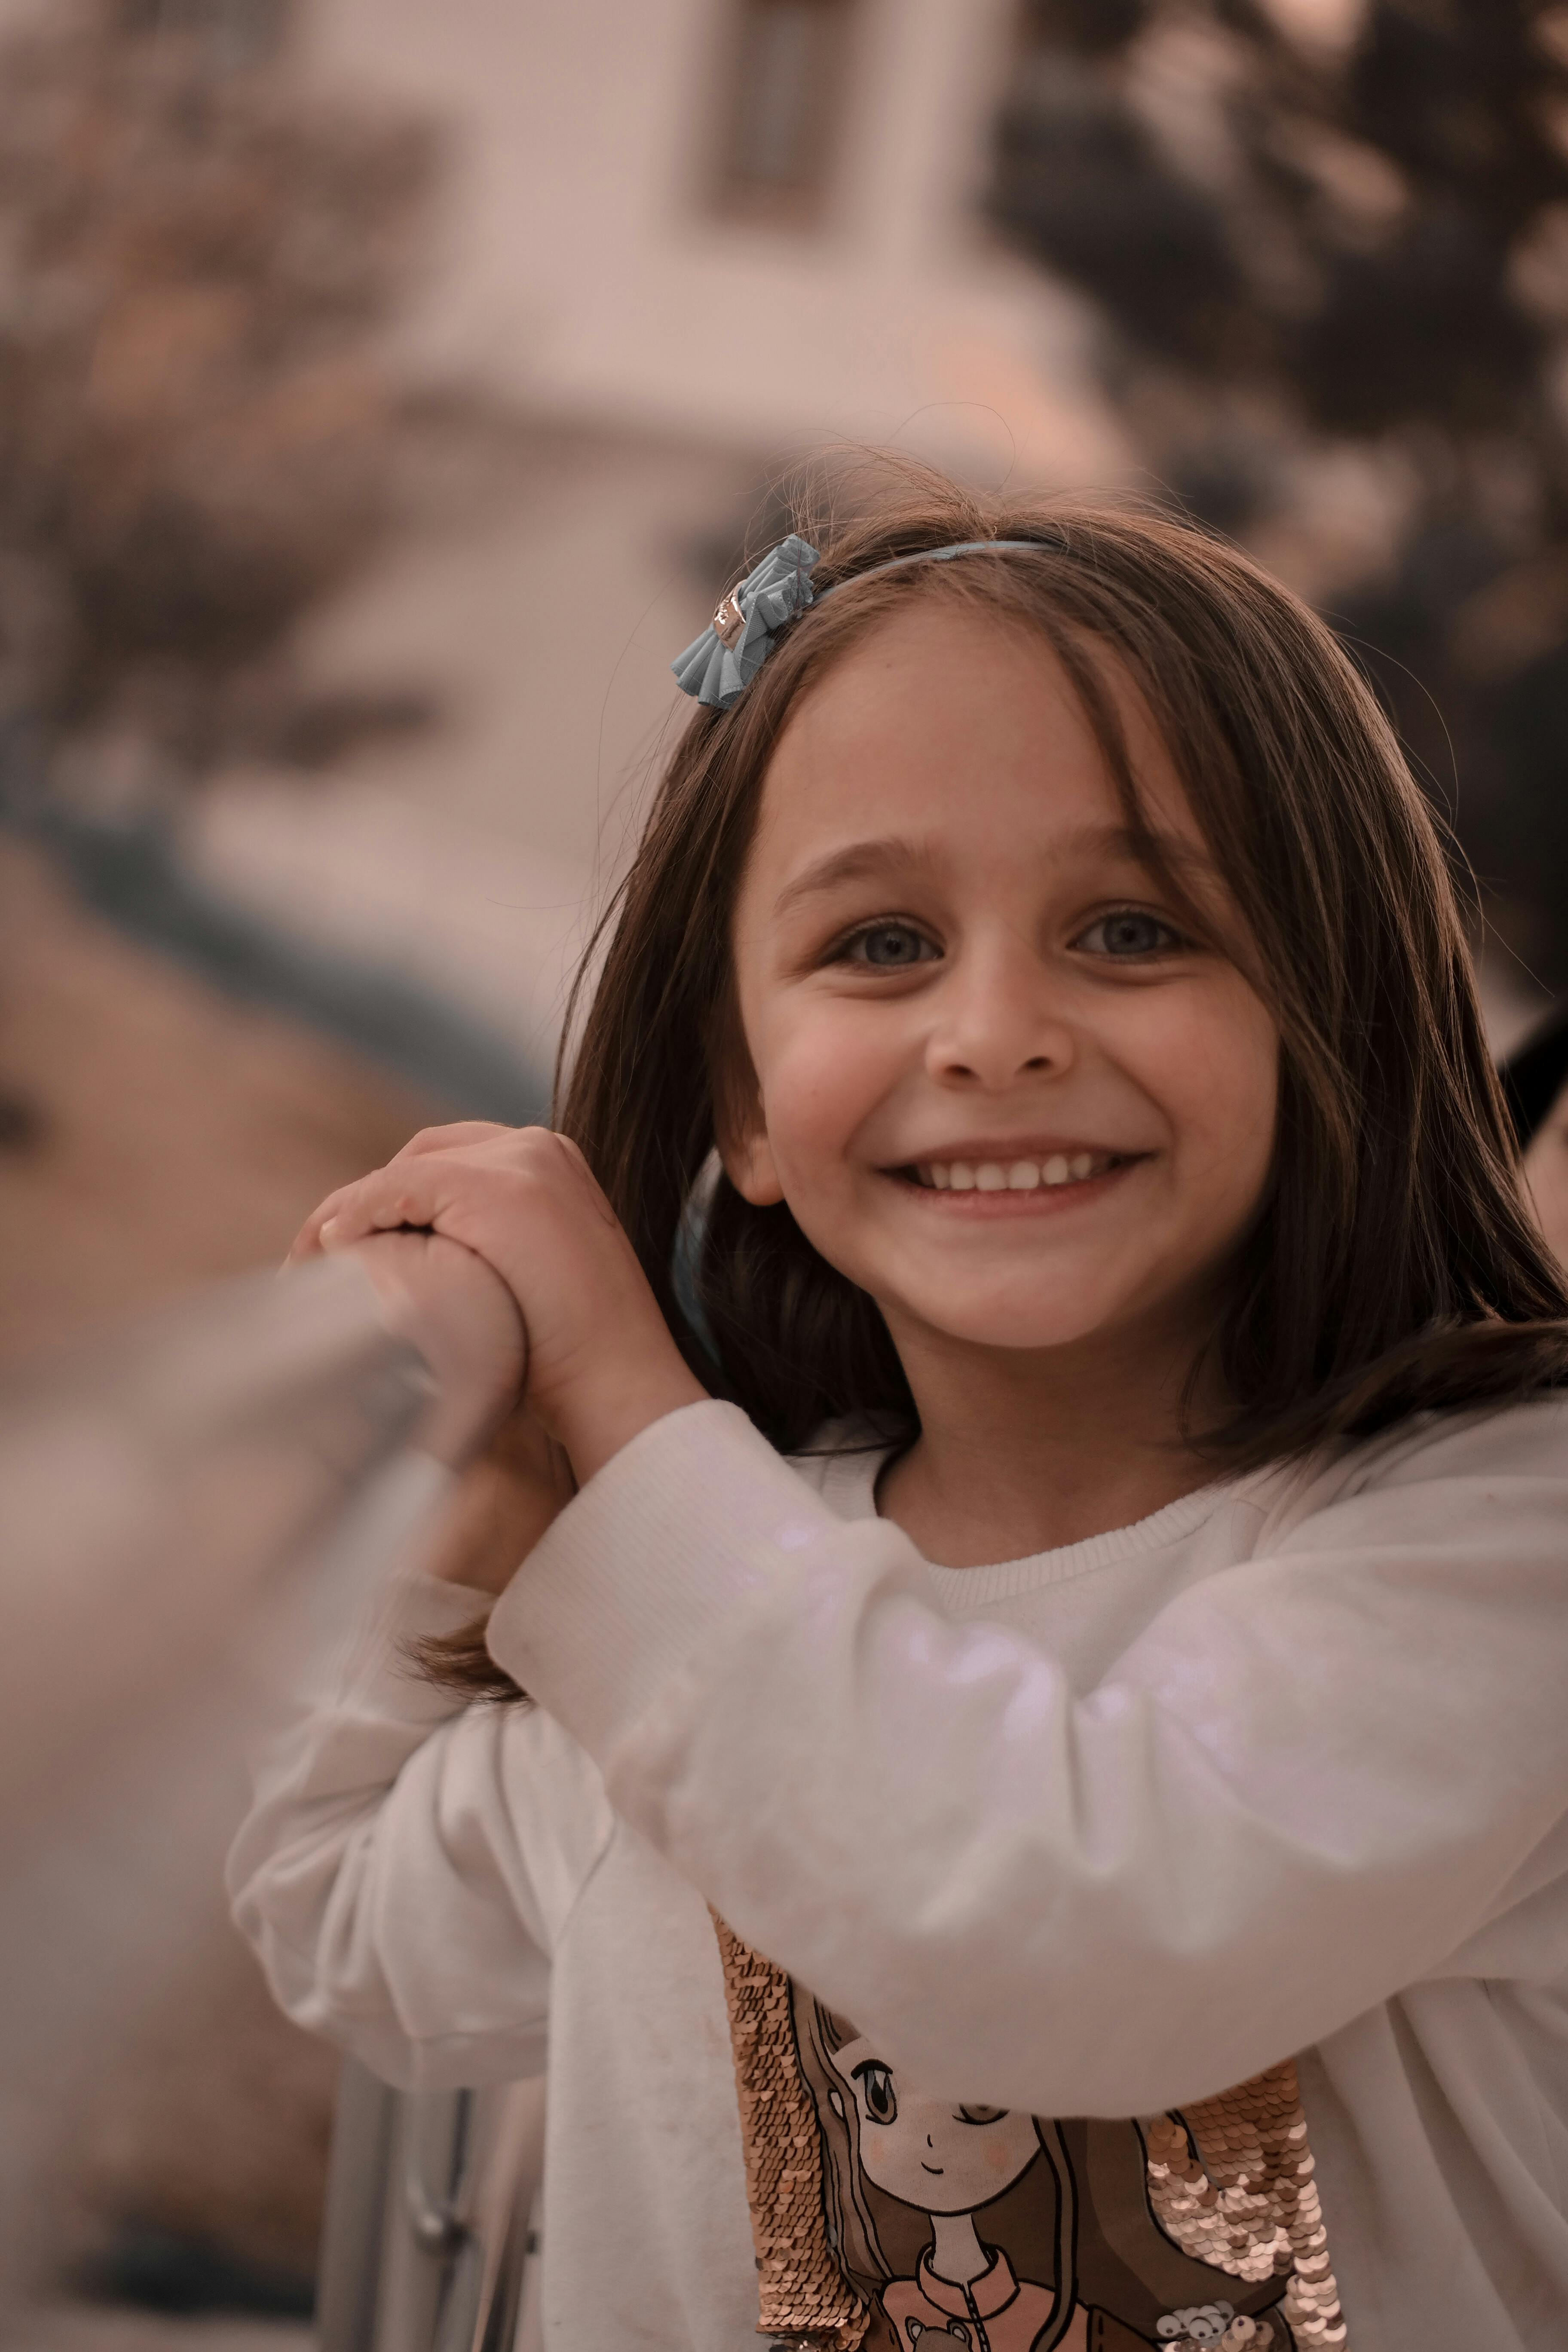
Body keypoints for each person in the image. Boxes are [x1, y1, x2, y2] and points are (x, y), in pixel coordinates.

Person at [230, 470, 1568, 2352]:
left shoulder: (1497, 1536)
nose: (995, 1031)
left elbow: (1082, 1927)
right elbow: (347, 1923)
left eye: (1131, 930)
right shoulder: (706, 1584)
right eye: (879, 946)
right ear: (749, 1103)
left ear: (1327, 1017)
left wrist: (618, 1427)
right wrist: (474, 1526)